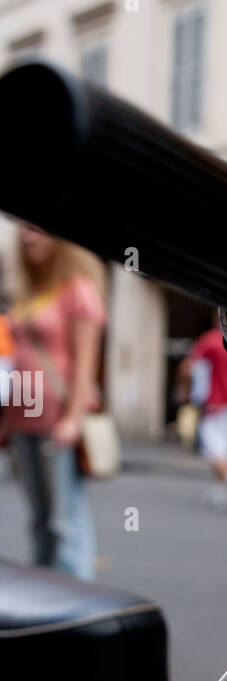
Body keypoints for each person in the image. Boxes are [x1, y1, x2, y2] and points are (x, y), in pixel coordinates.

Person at [3, 224, 105, 578]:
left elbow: (85, 361)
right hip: (21, 420)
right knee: (39, 520)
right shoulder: (29, 293)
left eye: (37, 228)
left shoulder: (78, 289)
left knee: (66, 522)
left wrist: (74, 418)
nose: (28, 237)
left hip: (57, 421)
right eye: (23, 231)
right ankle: (45, 601)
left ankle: (75, 608)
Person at [179, 320, 227, 510]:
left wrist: (186, 390)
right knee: (223, 450)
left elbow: (187, 367)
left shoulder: (209, 341)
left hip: (213, 404)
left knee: (211, 449)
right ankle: (219, 493)